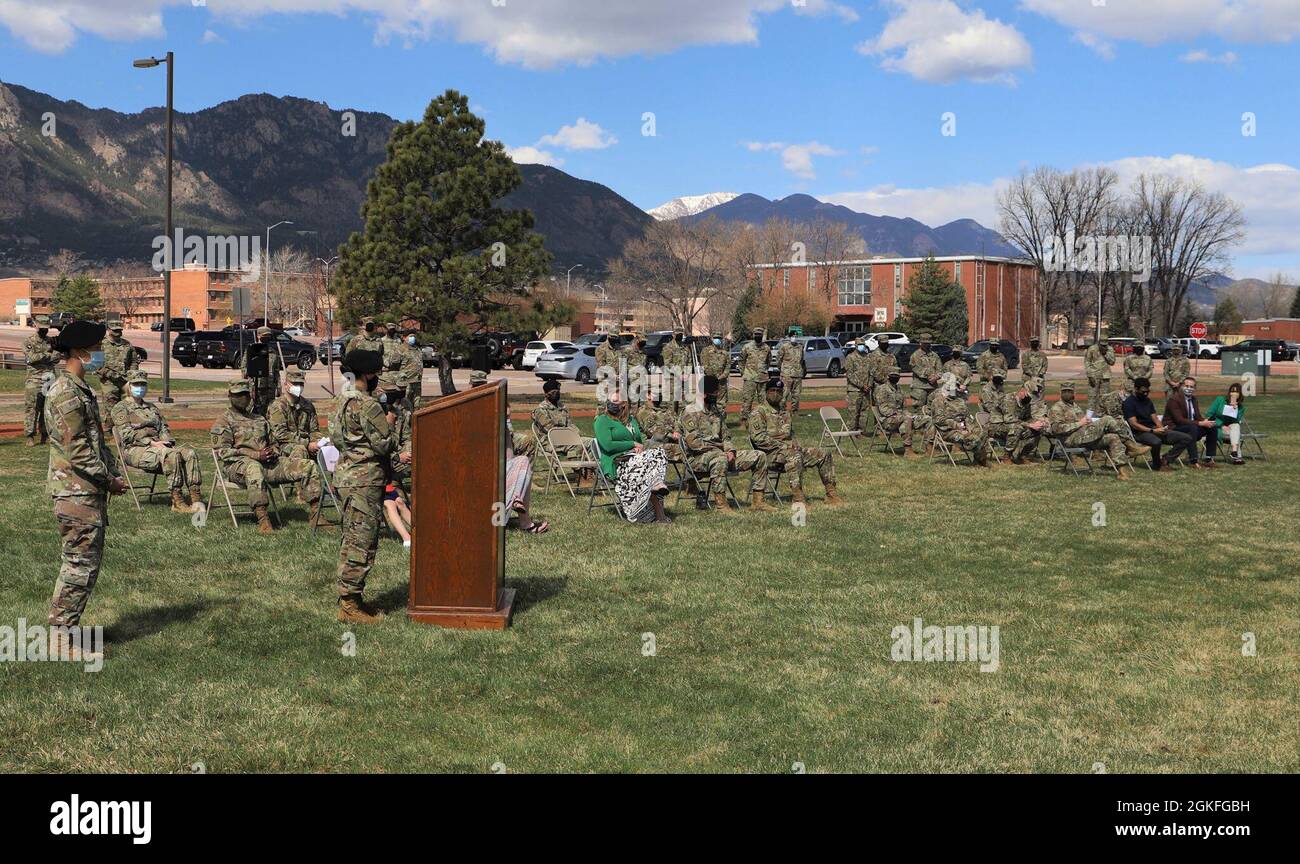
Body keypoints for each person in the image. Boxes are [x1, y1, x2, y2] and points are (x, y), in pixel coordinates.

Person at [44, 320, 127, 660]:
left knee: (85, 564)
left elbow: (96, 442)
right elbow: (78, 451)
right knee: (78, 564)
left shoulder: (80, 389)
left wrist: (112, 471)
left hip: (86, 492)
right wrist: (109, 480)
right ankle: (60, 639)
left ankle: (67, 632)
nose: (99, 354)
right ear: (79, 352)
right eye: (94, 348)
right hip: (75, 492)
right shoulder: (65, 393)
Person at [329, 349, 396, 621]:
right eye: (376, 373)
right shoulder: (368, 405)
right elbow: (384, 443)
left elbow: (335, 437)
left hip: (346, 476)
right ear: (368, 374)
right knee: (362, 542)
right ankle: (349, 606)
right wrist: (390, 422)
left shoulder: (340, 400)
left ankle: (352, 598)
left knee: (351, 538)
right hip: (364, 480)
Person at [212, 379, 323, 534]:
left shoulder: (259, 419)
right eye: (238, 395)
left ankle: (317, 515)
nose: (243, 398)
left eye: (245, 394)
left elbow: (275, 443)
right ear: (230, 396)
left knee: (307, 466)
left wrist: (272, 452)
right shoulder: (223, 421)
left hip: (267, 464)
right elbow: (222, 452)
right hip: (238, 466)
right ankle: (263, 519)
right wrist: (254, 455)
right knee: (254, 467)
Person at [112, 370, 204, 513]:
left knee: (189, 453)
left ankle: (196, 499)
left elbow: (163, 428)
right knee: (171, 455)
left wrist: (166, 441)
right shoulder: (120, 408)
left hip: (159, 447)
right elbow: (126, 434)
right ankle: (177, 502)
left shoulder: (152, 407)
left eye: (143, 384)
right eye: (136, 384)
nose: (140, 387)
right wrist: (152, 443)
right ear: (129, 386)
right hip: (134, 450)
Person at [681, 375, 770, 512]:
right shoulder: (690, 412)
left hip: (720, 455)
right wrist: (719, 450)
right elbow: (693, 443)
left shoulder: (716, 411)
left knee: (760, 456)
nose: (717, 395)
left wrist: (730, 450)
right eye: (714, 393)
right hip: (697, 459)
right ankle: (721, 505)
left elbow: (726, 436)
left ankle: (758, 501)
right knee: (720, 458)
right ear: (704, 393)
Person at [748, 379, 843, 506]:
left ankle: (831, 494)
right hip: (769, 455)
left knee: (823, 453)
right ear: (766, 393)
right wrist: (784, 446)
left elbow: (790, 434)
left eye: (778, 391)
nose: (775, 394)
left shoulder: (784, 412)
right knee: (794, 455)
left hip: (789, 452)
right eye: (772, 391)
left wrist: (795, 443)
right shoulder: (759, 412)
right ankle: (798, 499)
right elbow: (758, 438)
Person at [594, 396, 671, 524]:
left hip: (635, 459)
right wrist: (631, 444)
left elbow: (640, 442)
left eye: (616, 401)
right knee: (651, 471)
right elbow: (607, 445)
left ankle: (656, 494)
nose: (611, 403)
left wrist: (636, 447)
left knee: (659, 453)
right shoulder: (602, 420)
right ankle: (659, 512)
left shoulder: (630, 420)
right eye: (610, 401)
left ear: (624, 404)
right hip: (617, 461)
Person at [1049, 381, 1149, 478]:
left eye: (1069, 391)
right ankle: (1131, 446)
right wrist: (1080, 423)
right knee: (1108, 419)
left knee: (1113, 437)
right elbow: (1056, 429)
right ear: (1060, 393)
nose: (1067, 393)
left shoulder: (1075, 406)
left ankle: (1123, 472)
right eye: (1064, 391)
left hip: (1084, 436)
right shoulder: (1057, 408)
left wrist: (1088, 423)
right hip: (1070, 439)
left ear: (1074, 393)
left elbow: (1083, 423)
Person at [1122, 377, 1193, 471]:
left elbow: (1155, 418)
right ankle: (1157, 465)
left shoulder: (1147, 401)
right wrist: (1152, 430)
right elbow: (1134, 424)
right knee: (1156, 441)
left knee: (1186, 438)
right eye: (1143, 391)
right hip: (1139, 433)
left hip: (1154, 429)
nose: (1146, 394)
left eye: (1148, 391)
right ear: (1136, 389)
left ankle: (1166, 459)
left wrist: (1161, 428)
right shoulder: (1129, 403)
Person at [931, 373, 993, 467]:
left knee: (982, 433)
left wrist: (969, 428)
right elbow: (938, 420)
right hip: (948, 431)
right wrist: (958, 426)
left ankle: (978, 461)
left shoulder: (959, 400)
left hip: (964, 427)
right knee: (974, 439)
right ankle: (982, 461)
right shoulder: (939, 401)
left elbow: (966, 417)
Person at [1164, 376, 1219, 468]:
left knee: (1212, 427)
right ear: (1181, 386)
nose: (1189, 389)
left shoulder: (1194, 399)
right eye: (1187, 386)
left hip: (1189, 427)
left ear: (1194, 388)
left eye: (1191, 387)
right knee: (1192, 428)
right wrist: (1200, 423)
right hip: (1174, 428)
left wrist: (1205, 421)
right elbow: (1179, 420)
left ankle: (1209, 458)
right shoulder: (1174, 399)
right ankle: (1193, 460)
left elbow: (1197, 417)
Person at [874, 369, 928, 456]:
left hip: (902, 418)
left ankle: (930, 448)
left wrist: (907, 413)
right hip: (887, 420)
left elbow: (904, 407)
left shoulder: (899, 388)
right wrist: (901, 414)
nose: (895, 378)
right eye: (893, 376)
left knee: (927, 419)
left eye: (897, 376)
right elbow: (883, 410)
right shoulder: (881, 389)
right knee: (906, 419)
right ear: (887, 377)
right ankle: (908, 450)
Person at [98, 324, 139, 431]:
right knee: (110, 405)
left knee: (127, 405)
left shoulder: (127, 344)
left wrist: (132, 373)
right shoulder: (101, 344)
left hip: (125, 380)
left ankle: (124, 429)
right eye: (115, 330)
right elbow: (96, 364)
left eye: (120, 330)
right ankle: (110, 429)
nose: (118, 332)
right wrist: (110, 374)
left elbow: (134, 361)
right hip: (109, 381)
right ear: (108, 330)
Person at [24, 322, 56, 446]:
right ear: (36, 327)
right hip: (34, 378)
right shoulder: (29, 341)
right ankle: (30, 435)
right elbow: (31, 358)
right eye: (42, 329)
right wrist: (48, 356)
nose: (44, 331)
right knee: (31, 408)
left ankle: (45, 434)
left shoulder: (51, 342)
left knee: (47, 408)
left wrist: (42, 357)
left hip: (49, 378)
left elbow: (58, 356)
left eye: (46, 329)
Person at [240, 326, 283, 416]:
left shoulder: (273, 352)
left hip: (270, 388)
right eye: (264, 336)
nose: (266, 338)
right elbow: (244, 369)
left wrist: (279, 387)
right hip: (256, 388)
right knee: (253, 413)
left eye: (268, 336)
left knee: (270, 412)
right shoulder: (251, 351)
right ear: (258, 336)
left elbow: (276, 371)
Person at [1008, 376, 1050, 464]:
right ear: (1023, 390)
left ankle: (1024, 455)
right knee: (1018, 428)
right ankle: (1007, 456)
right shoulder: (1010, 399)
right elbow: (1010, 419)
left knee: (1039, 428)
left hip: (1019, 424)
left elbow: (1027, 417)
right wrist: (1030, 425)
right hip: (1006, 425)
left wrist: (1039, 422)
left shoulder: (1026, 401)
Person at [1206, 381, 1248, 465]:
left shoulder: (1240, 407)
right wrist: (1221, 425)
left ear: (1240, 394)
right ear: (1229, 392)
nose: (1234, 393)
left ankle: (1234, 451)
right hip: (1216, 426)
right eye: (1232, 391)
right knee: (1235, 434)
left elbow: (1236, 421)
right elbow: (1209, 415)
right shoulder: (1220, 400)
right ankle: (1237, 457)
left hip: (1230, 429)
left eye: (1237, 392)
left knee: (1236, 426)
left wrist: (1235, 409)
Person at [737, 328, 768, 424]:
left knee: (763, 401)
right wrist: (743, 373)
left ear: (762, 336)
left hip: (762, 378)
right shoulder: (747, 347)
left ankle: (763, 420)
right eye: (756, 334)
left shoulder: (766, 348)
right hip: (750, 378)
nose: (758, 336)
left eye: (760, 334)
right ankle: (744, 421)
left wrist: (764, 371)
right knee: (747, 400)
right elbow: (741, 360)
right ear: (753, 335)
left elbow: (768, 361)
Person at [698, 333, 730, 420]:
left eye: (719, 338)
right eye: (715, 338)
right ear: (712, 338)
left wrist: (722, 376)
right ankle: (708, 421)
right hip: (710, 381)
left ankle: (720, 422)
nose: (717, 339)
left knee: (721, 403)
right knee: (709, 402)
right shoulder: (706, 351)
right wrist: (712, 377)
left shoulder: (725, 353)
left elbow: (727, 367)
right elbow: (704, 365)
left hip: (721, 382)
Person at [844, 340, 873, 432]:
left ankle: (861, 431)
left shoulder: (868, 357)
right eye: (860, 345)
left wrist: (869, 385)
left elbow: (871, 373)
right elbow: (850, 375)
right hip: (854, 390)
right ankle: (852, 431)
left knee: (864, 411)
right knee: (853, 412)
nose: (862, 346)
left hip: (866, 390)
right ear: (856, 345)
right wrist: (861, 385)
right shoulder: (850, 357)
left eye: (863, 345)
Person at [661, 328, 692, 413]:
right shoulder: (668, 347)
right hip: (672, 379)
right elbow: (668, 363)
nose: (679, 336)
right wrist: (679, 374)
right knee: (672, 403)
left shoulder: (685, 347)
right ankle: (672, 422)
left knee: (683, 402)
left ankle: (682, 421)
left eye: (681, 335)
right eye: (678, 334)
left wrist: (687, 374)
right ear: (673, 335)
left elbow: (689, 361)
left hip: (684, 379)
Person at [909, 333, 943, 409]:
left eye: (928, 343)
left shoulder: (935, 355)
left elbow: (940, 370)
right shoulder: (915, 355)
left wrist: (936, 377)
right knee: (919, 410)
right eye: (925, 343)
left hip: (933, 387)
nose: (927, 345)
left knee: (934, 409)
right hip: (920, 387)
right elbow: (917, 369)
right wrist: (929, 377)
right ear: (920, 343)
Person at [777, 329, 806, 414]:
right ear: (789, 337)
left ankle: (794, 412)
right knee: (784, 394)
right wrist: (782, 369)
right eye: (793, 336)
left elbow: (801, 360)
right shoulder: (784, 347)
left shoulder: (800, 347)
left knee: (796, 395)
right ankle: (782, 411)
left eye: (796, 336)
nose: (794, 338)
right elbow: (779, 359)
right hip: (787, 375)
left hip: (797, 375)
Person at [866, 334, 897, 409]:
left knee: (891, 408)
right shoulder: (873, 355)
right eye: (883, 343)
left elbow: (896, 369)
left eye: (886, 343)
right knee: (879, 409)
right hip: (878, 386)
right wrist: (886, 380)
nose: (885, 345)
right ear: (879, 343)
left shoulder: (891, 356)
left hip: (891, 387)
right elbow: (873, 372)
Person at [1084, 338, 1117, 406]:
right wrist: (1090, 375)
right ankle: (1090, 415)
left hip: (1105, 376)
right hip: (1094, 375)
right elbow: (1087, 362)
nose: (1103, 346)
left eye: (1105, 345)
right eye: (1102, 345)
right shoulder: (1092, 348)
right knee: (1092, 396)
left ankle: (1103, 414)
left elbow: (1112, 362)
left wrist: (1105, 354)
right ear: (1098, 343)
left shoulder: (1110, 349)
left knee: (1105, 397)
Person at [399, 329, 424, 406]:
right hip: (406, 382)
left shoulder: (417, 350)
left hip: (417, 381)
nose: (413, 338)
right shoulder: (400, 349)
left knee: (417, 405)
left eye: (414, 336)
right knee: (405, 405)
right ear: (404, 337)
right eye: (410, 336)